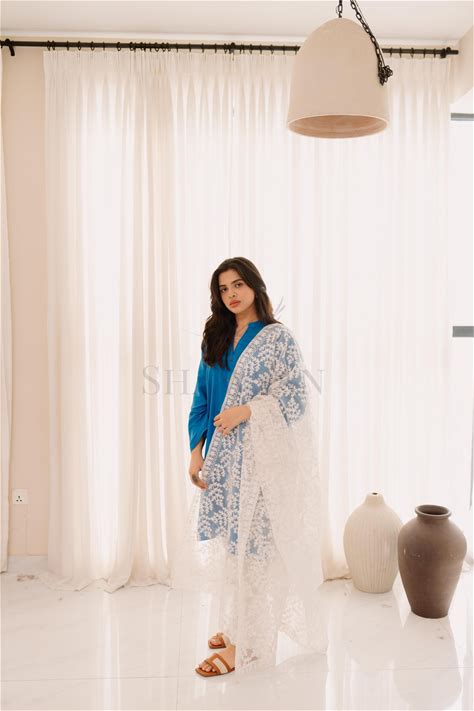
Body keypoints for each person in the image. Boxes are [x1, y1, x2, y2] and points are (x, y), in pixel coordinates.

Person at [170, 257, 329, 679]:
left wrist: (247, 411)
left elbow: (294, 401)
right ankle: (237, 624)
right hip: (223, 461)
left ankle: (245, 646)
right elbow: (202, 397)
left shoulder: (277, 339)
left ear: (255, 286)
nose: (232, 294)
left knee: (256, 551)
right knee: (234, 547)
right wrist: (195, 451)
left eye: (238, 284)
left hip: (263, 464)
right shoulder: (217, 337)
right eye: (223, 289)